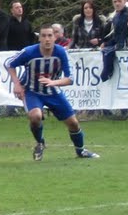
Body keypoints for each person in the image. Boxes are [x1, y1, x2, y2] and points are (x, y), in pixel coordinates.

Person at [7, 25, 99, 161]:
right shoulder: (29, 52)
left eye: (50, 36)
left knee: (73, 123)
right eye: (43, 36)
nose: (47, 39)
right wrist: (17, 84)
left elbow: (70, 78)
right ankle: (40, 142)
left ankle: (81, 151)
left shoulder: (61, 52)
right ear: (39, 38)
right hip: (32, 91)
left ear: (55, 37)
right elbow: (9, 63)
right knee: (35, 116)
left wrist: (53, 82)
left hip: (53, 92)